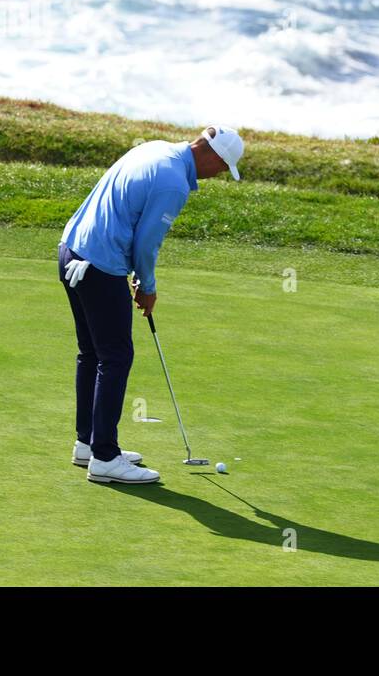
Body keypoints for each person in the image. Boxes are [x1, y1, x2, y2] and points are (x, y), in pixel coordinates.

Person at [58, 124, 244, 484]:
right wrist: (147, 285)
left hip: (71, 251)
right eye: (222, 169)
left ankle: (89, 443)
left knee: (93, 354)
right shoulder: (173, 183)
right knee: (115, 357)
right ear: (212, 155)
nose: (216, 176)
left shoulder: (156, 148)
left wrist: (137, 275)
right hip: (98, 265)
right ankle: (105, 459)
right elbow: (146, 243)